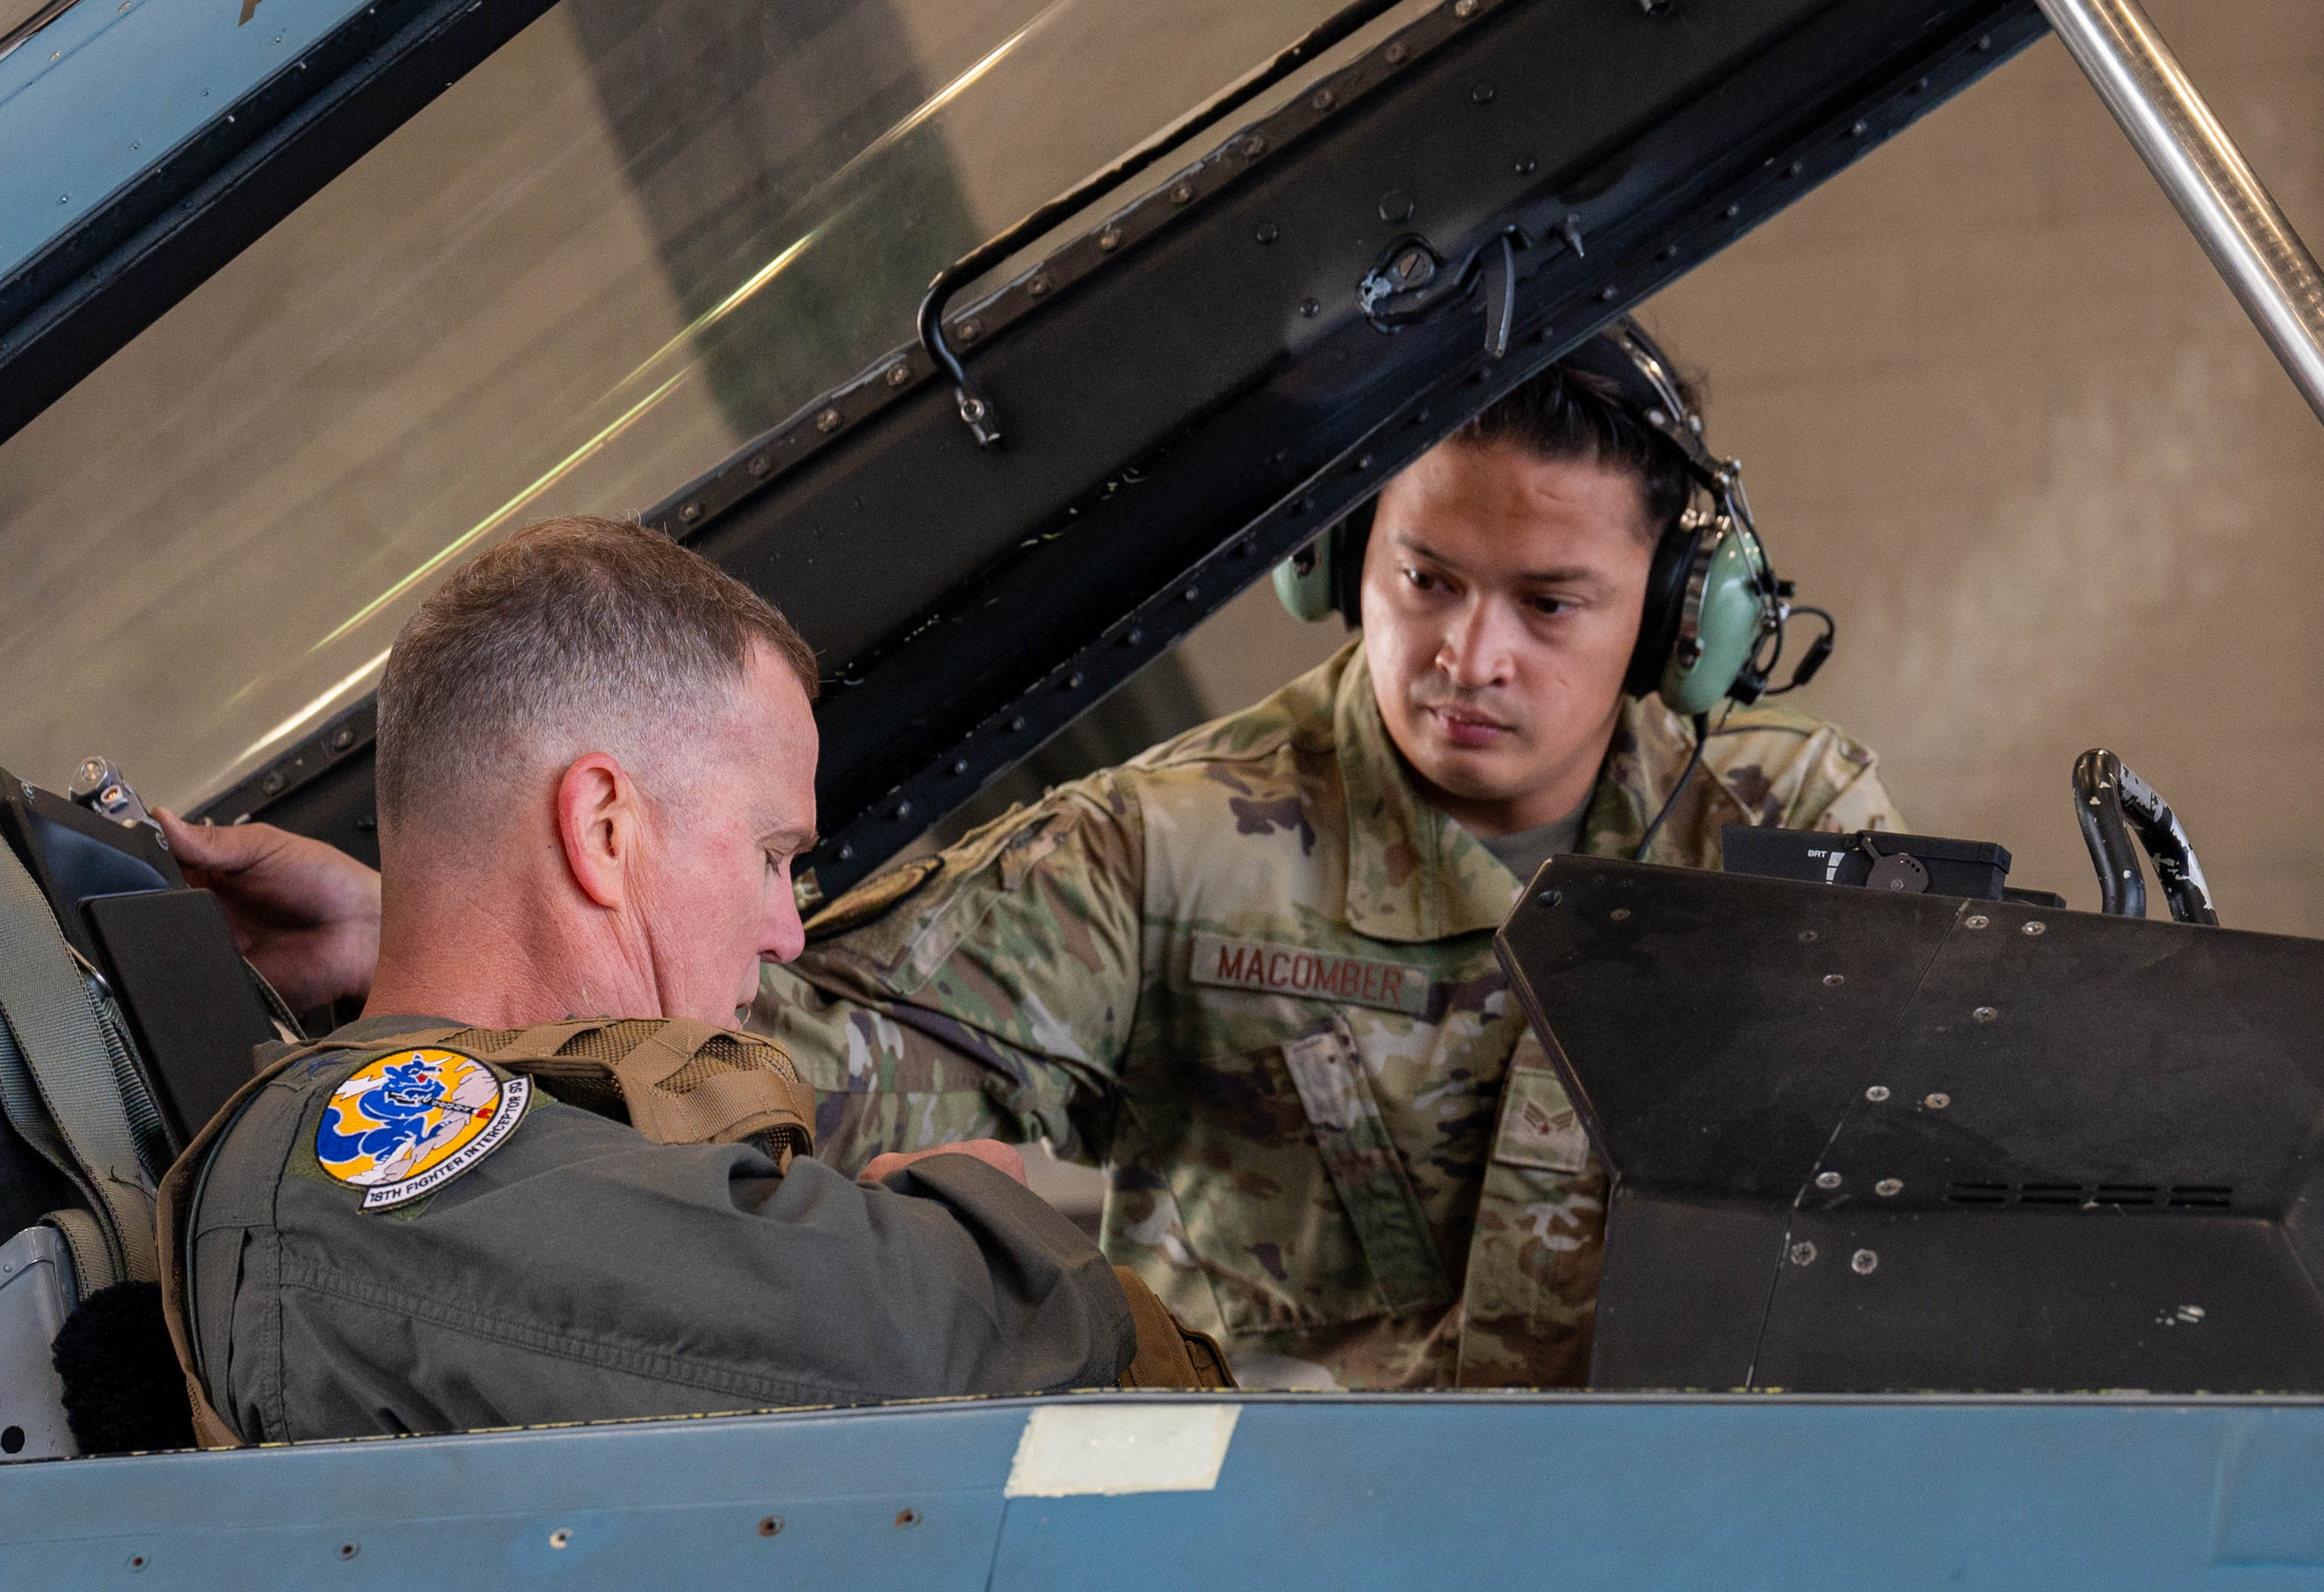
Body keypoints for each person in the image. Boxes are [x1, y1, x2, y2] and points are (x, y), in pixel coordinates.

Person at [166, 326, 1899, 1397]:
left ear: (1681, 615)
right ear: (1341, 556)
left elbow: (1931, 1191)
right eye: (1425, 576)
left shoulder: (1787, 832)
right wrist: (446, 926)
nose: (1470, 651)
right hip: (1293, 1557)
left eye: (1550, 604)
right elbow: (781, 1035)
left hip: (1692, 1532)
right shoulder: (1177, 842)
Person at [159, 517, 1168, 1447]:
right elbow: (919, 1349)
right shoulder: (364, 1166)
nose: (785, 930)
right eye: (771, 855)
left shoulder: (507, 1141)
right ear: (605, 829)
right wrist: (986, 1222)